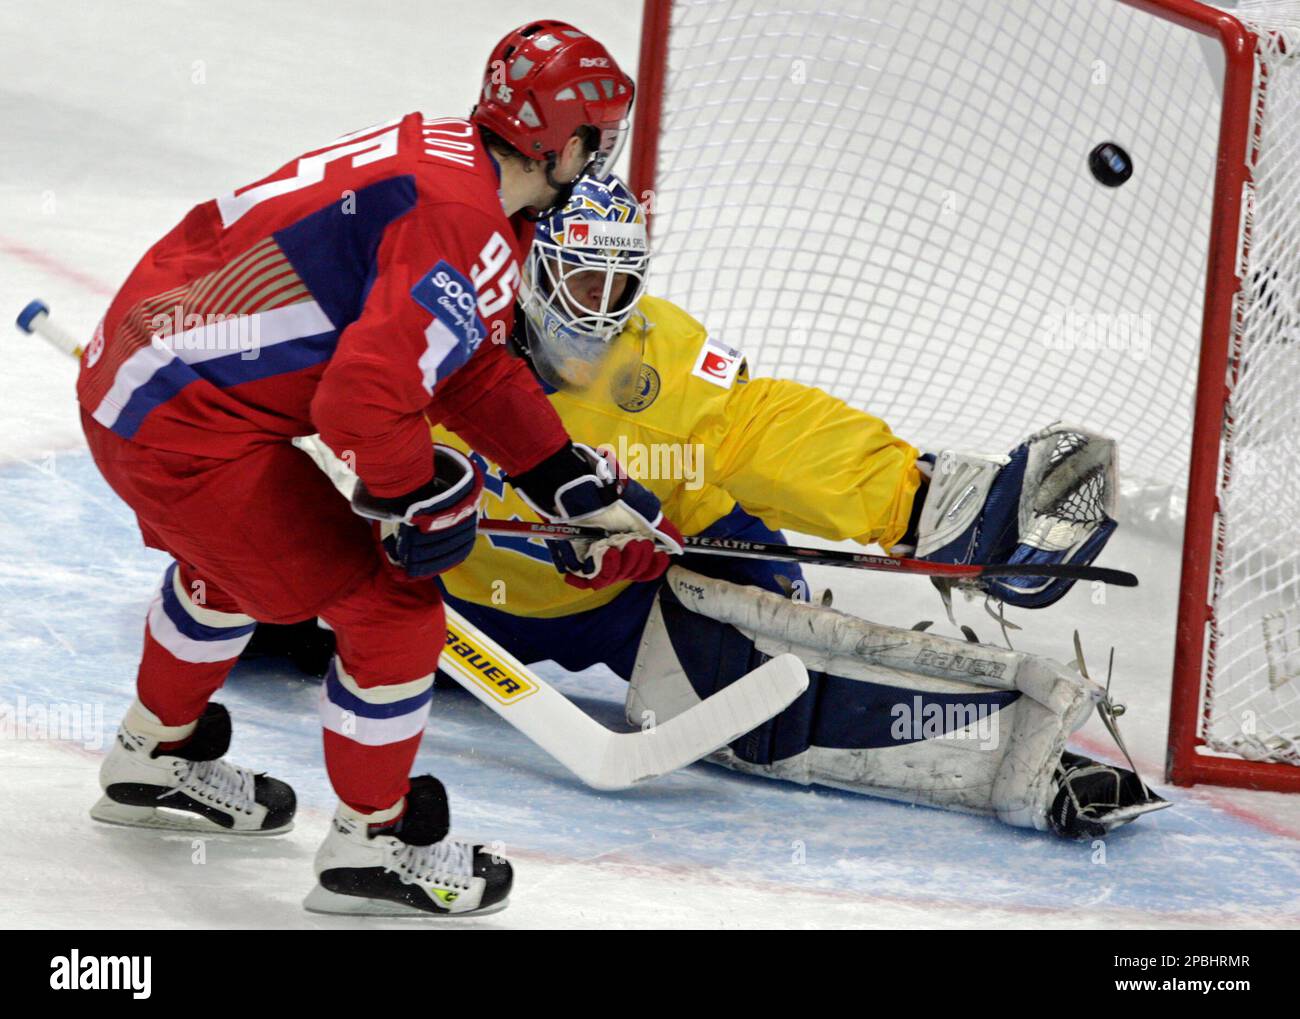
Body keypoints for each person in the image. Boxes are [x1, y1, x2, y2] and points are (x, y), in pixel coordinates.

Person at [281, 171, 1167, 840]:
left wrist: (918, 502)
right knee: (271, 610)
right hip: (462, 597)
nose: (603, 312)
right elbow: (327, 422)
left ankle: (1008, 749)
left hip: (630, 592)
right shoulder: (438, 322)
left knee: (767, 700)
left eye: (619, 287)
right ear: (526, 267)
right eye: (582, 284)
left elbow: (763, 431)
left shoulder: (656, 357)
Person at [79, 21, 679, 918]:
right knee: (394, 610)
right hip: (186, 423)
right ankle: (374, 848)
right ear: (568, 139)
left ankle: (150, 760)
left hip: (136, 368)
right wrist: (413, 494)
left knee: (227, 567)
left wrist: (554, 470)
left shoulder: (455, 165)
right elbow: (362, 403)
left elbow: (459, 356)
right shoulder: (468, 220)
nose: (600, 163)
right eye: (599, 140)